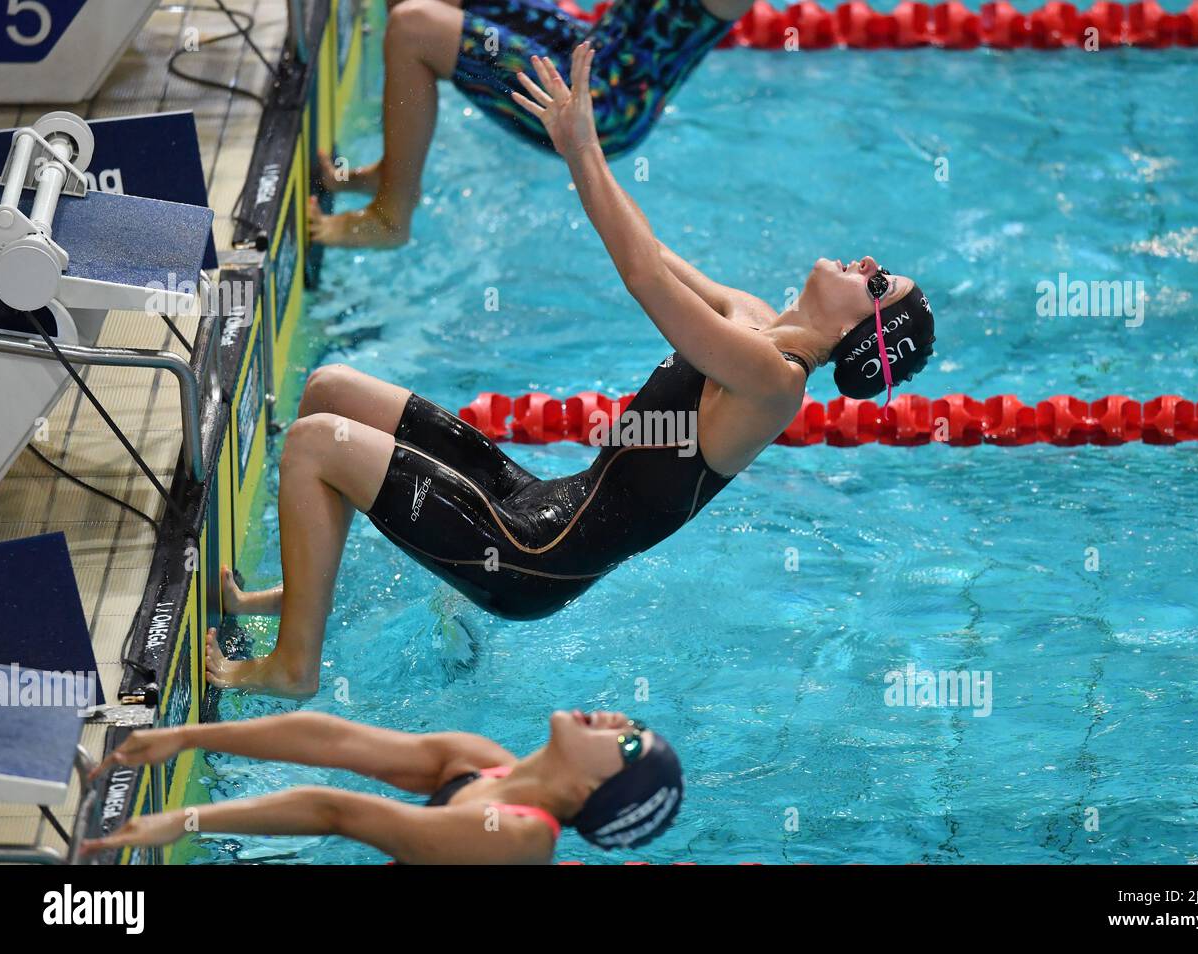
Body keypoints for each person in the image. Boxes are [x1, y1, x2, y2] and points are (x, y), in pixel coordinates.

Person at [213, 45, 935, 698]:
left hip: (531, 559)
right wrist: (574, 149)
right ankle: (296, 594)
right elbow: (653, 248)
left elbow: (645, 278)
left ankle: (293, 666)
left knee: (314, 443)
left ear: (854, 333)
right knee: (331, 390)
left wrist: (586, 148)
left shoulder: (775, 381)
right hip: (536, 501)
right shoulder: (751, 317)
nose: (868, 265)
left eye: (879, 286)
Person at [310, 0, 755, 247]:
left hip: (597, 106)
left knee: (414, 26)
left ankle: (391, 216)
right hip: (585, 50)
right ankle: (395, 175)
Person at [82, 709, 682, 864]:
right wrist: (188, 736)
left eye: (630, 743)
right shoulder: (485, 761)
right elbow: (337, 743)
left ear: (594, 791)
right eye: (636, 723)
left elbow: (339, 812)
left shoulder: (518, 841)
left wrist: (181, 821)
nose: (618, 721)